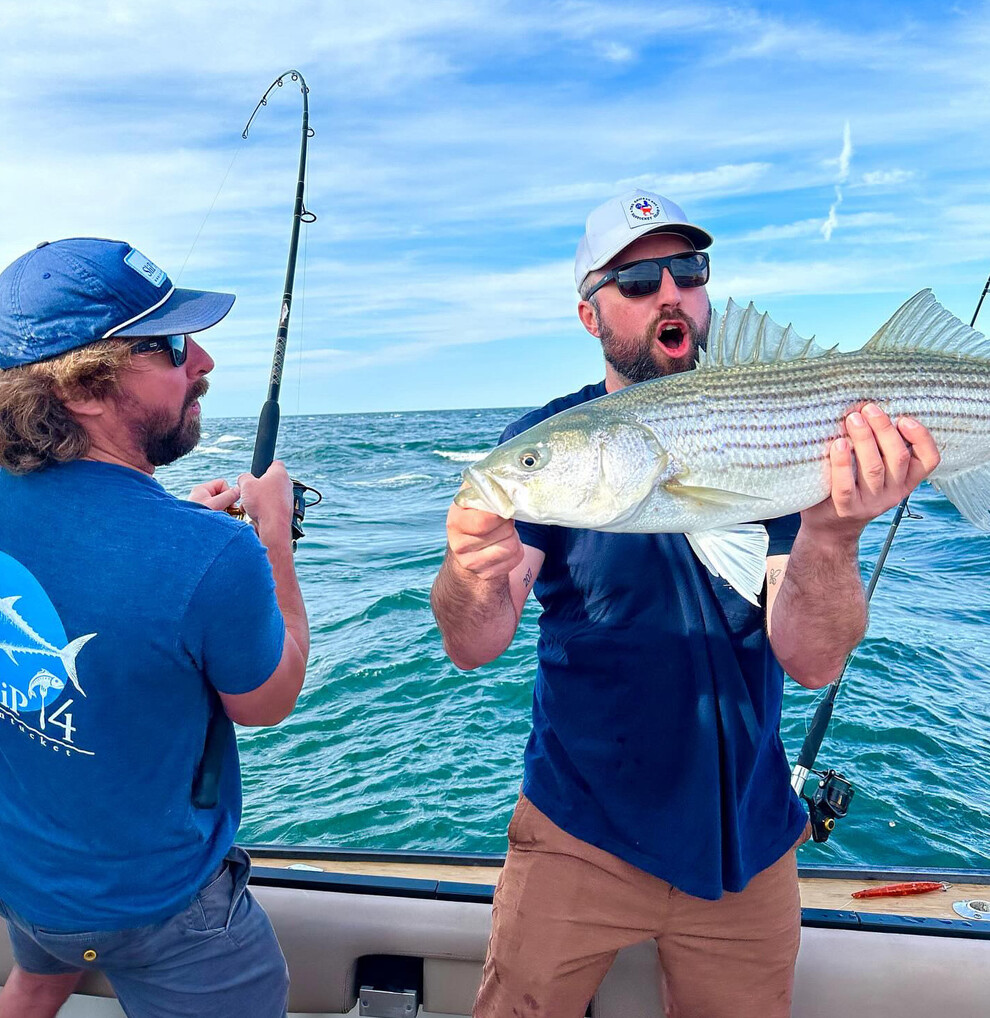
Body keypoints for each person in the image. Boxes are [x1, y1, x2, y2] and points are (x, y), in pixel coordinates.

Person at [430, 190, 941, 1018]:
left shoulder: (776, 446)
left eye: (688, 270)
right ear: (590, 315)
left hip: (749, 841)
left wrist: (833, 533)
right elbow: (472, 642)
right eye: (636, 279)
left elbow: (812, 664)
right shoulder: (552, 443)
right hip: (576, 837)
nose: (669, 292)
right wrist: (469, 571)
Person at [0, 238, 309, 1018]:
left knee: (35, 982)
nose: (202, 359)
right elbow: (265, 701)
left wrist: (184, 530)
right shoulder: (213, 555)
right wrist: (268, 542)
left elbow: (95, 575)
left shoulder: (190, 546)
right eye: (171, 344)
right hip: (160, 910)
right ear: (84, 389)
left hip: (27, 879)